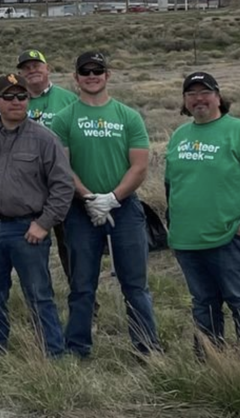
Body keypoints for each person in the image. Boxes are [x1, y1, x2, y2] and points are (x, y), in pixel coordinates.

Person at [50, 51, 161, 359]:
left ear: (107, 75)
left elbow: (139, 166)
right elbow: (63, 167)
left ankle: (146, 347)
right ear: (76, 78)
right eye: (84, 71)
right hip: (80, 211)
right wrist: (88, 198)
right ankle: (78, 348)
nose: (91, 75)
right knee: (82, 285)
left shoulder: (128, 116)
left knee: (134, 284)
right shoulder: (65, 118)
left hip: (124, 209)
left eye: (97, 70)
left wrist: (112, 198)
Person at [0, 74, 74, 358]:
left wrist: (44, 224)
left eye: (21, 96)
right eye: (8, 96)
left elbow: (63, 185)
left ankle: (52, 354)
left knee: (39, 295)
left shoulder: (45, 139)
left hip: (28, 230)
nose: (16, 102)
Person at [165, 72, 240, 369]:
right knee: (203, 305)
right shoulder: (179, 135)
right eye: (191, 93)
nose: (198, 99)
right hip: (187, 240)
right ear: (184, 101)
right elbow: (171, 185)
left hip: (229, 238)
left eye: (205, 92)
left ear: (218, 97)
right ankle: (210, 365)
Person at [17, 49, 78, 282]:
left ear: (47, 68)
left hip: (63, 188)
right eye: (26, 68)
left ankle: (84, 305)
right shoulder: (16, 100)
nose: (31, 71)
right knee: (32, 250)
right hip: (28, 189)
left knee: (71, 248)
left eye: (36, 66)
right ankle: (39, 306)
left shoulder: (67, 99)